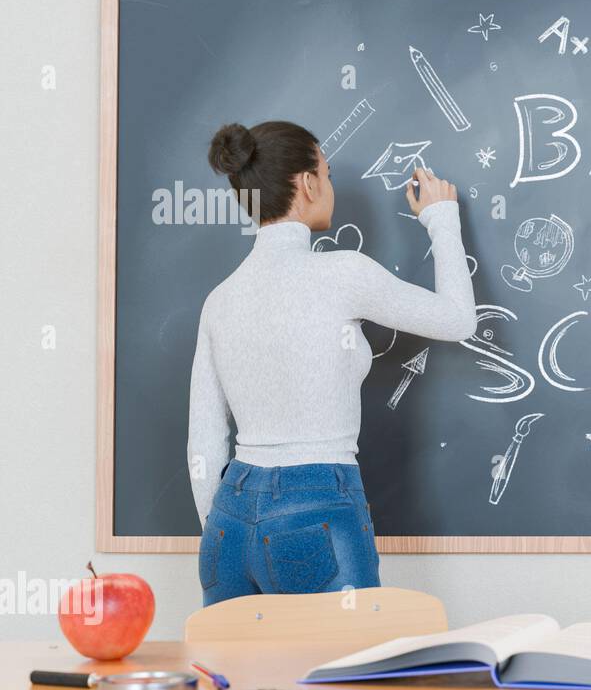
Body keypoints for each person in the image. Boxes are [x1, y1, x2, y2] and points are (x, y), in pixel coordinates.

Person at [188, 120, 475, 604]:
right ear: (307, 183)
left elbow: (203, 441)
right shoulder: (343, 273)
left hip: (227, 525)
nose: (331, 185)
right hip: (317, 503)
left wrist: (223, 529)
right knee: (345, 677)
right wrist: (442, 219)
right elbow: (458, 320)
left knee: (239, 679)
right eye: (328, 172)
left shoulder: (219, 300)